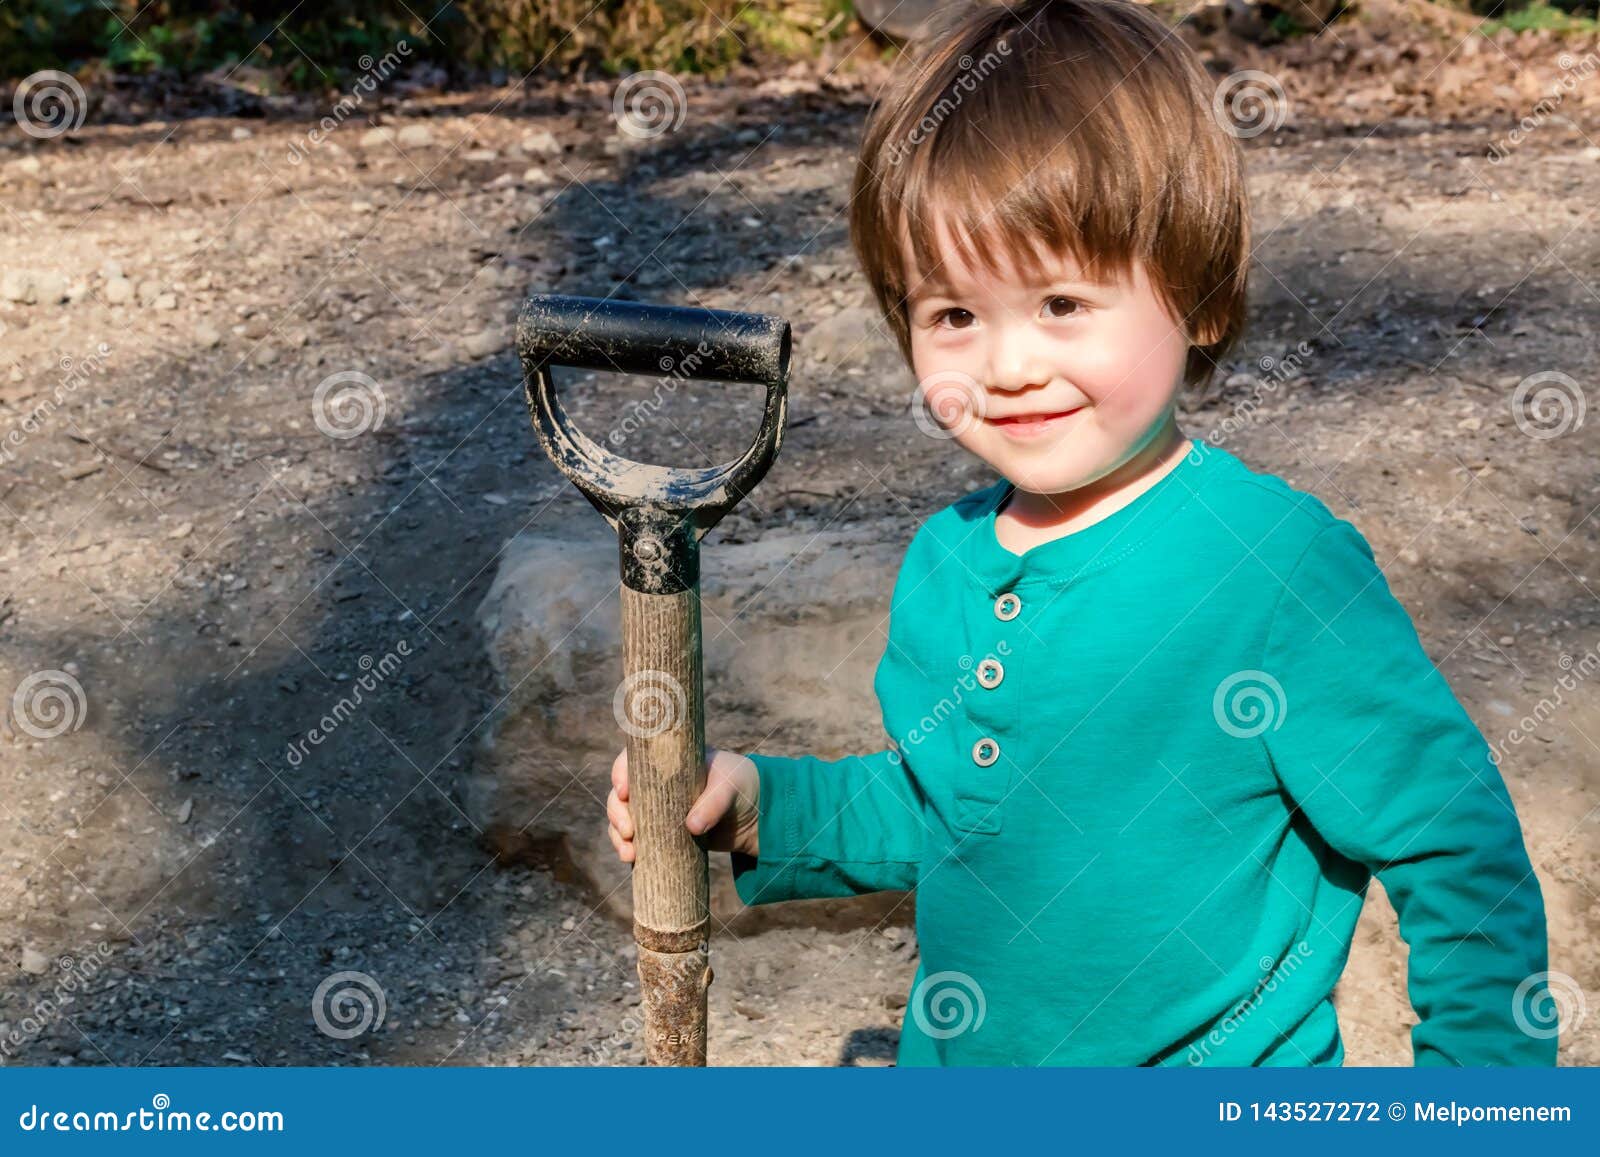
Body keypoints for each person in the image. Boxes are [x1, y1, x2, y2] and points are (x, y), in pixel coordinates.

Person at [607, 0, 1554, 1066]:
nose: (1008, 365)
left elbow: (1452, 841)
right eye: (954, 314)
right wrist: (766, 806)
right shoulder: (946, 561)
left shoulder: (1269, 568)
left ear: (1195, 296)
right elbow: (946, 810)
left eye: (1060, 301)